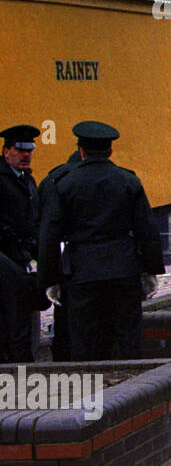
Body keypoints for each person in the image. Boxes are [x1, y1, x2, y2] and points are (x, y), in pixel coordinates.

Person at [37, 121, 165, 360]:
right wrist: (151, 269)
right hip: (123, 267)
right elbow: (146, 229)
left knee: (84, 338)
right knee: (127, 335)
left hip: (82, 270)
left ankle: (92, 390)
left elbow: (50, 234)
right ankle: (132, 390)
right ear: (110, 151)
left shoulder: (64, 183)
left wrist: (50, 278)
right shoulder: (128, 180)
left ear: (82, 151)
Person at [37, 149, 83, 362]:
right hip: (108, 264)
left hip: (66, 260)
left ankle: (64, 361)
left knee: (65, 318)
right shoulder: (122, 177)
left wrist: (48, 277)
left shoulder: (54, 180)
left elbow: (46, 230)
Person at [0, 125, 41, 362]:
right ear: (7, 152)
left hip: (20, 258)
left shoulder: (28, 180)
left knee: (20, 316)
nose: (26, 155)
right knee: (12, 319)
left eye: (30, 150)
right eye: (20, 150)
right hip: (5, 258)